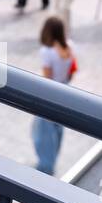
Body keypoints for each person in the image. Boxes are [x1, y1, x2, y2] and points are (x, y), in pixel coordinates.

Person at [32, 17, 75, 175]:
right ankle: (52, 161)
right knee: (57, 130)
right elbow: (70, 71)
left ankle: (45, 167)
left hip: (50, 94)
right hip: (64, 89)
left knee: (42, 132)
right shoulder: (69, 47)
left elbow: (47, 77)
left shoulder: (47, 52)